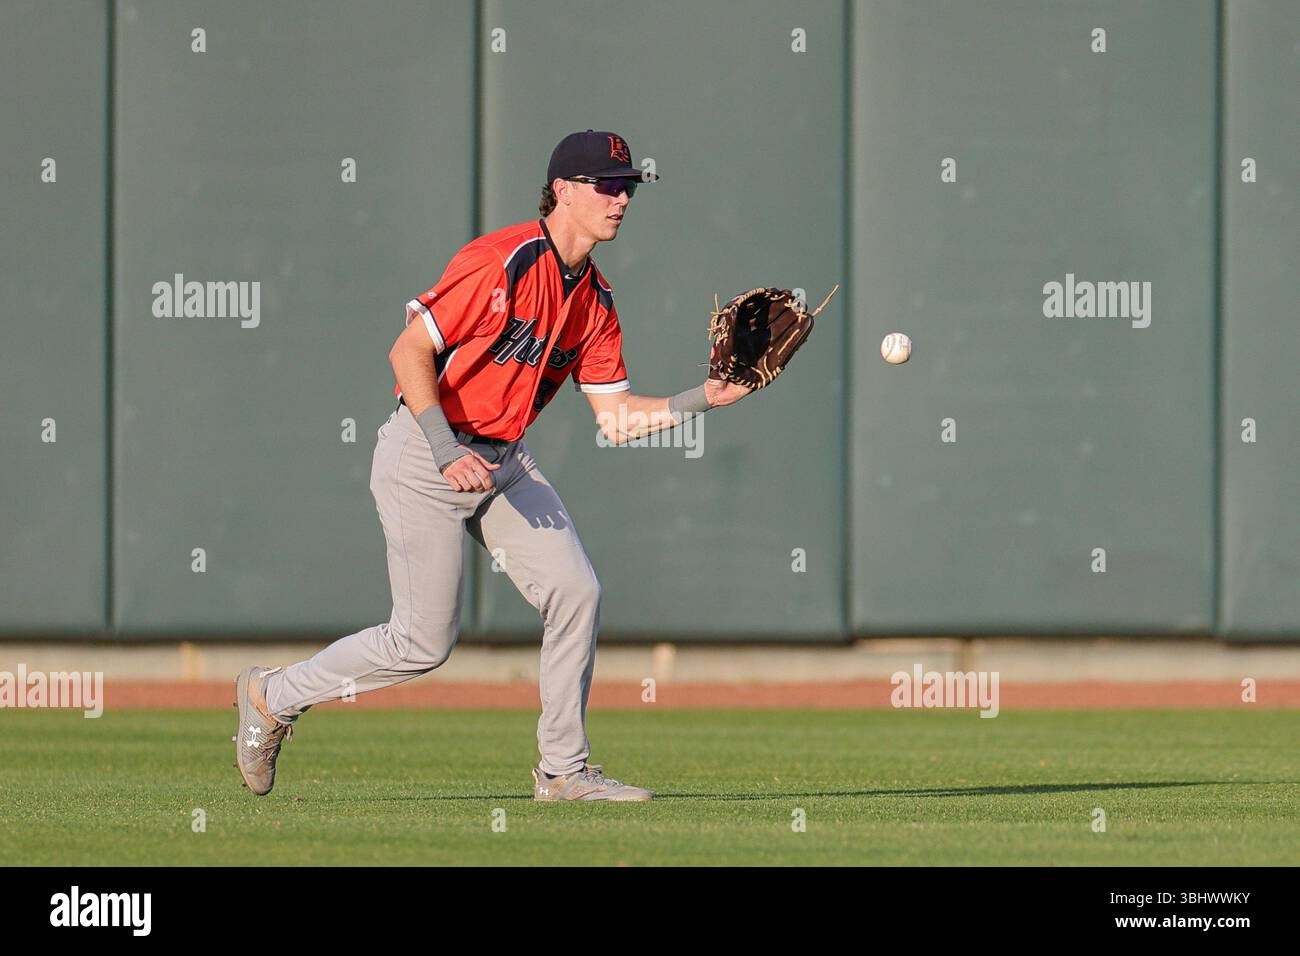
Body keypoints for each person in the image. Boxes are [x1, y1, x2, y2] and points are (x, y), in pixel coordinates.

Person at [233, 129, 751, 801]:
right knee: (421, 643)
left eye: (627, 187)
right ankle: (272, 695)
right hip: (425, 454)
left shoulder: (596, 302)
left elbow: (617, 419)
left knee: (577, 592)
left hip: (503, 462)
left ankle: (563, 771)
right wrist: (446, 449)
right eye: (606, 185)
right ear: (562, 191)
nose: (620, 199)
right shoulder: (500, 263)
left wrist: (702, 399)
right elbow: (407, 352)